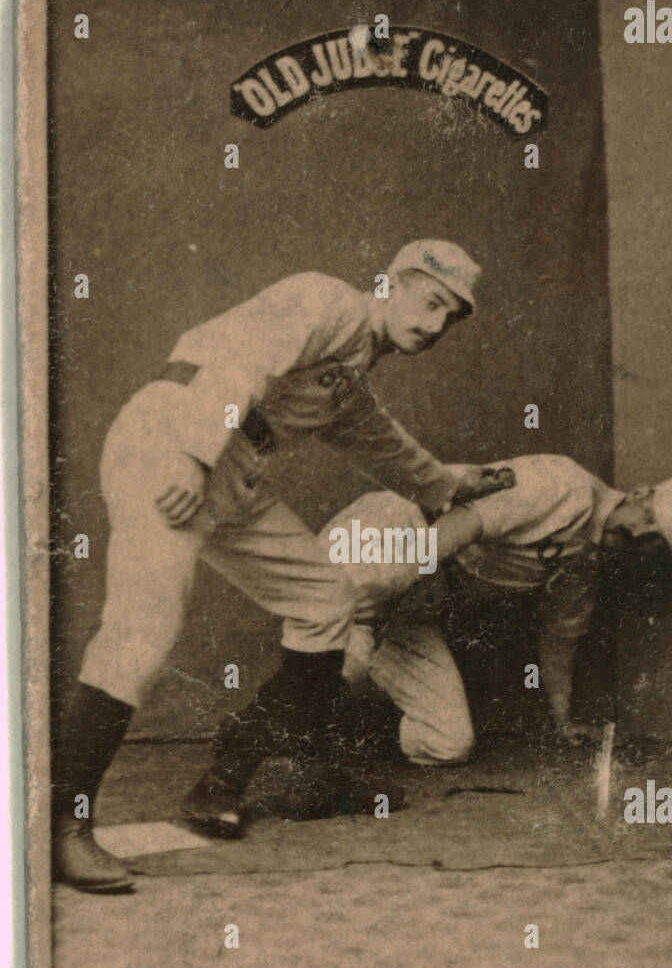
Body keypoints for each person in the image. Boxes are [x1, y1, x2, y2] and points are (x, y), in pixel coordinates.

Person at [52, 240, 506, 893]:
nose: (434, 325)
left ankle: (302, 768)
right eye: (428, 302)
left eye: (450, 317)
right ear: (388, 284)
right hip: (172, 439)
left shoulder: (351, 372)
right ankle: (65, 827)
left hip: (231, 472)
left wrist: (443, 487)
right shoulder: (328, 300)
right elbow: (241, 360)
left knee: (325, 602)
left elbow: (378, 439)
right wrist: (191, 455)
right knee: (141, 629)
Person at [297, 456, 672, 766]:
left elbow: (559, 640)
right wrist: (379, 597)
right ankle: (275, 756)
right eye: (648, 518)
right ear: (641, 492)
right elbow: (462, 523)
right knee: (345, 659)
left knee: (448, 742)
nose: (639, 533)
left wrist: (562, 721)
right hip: (386, 538)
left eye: (655, 543)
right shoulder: (567, 486)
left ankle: (339, 740)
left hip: (412, 599)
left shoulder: (585, 564)